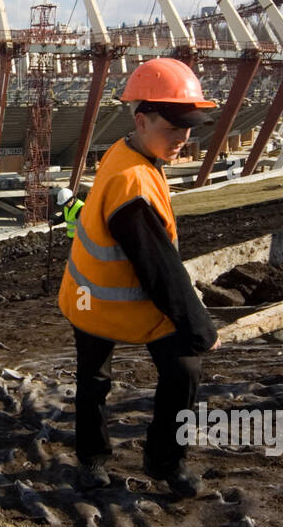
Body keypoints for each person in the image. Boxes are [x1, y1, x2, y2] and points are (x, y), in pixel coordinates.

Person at [57, 57, 221, 497]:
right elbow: (160, 269)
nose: (184, 139)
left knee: (151, 374)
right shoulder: (133, 186)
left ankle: (157, 460)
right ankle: (102, 459)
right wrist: (199, 326)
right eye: (174, 129)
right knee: (108, 379)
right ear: (142, 119)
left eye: (189, 129)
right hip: (101, 299)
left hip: (96, 294)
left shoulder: (127, 149)